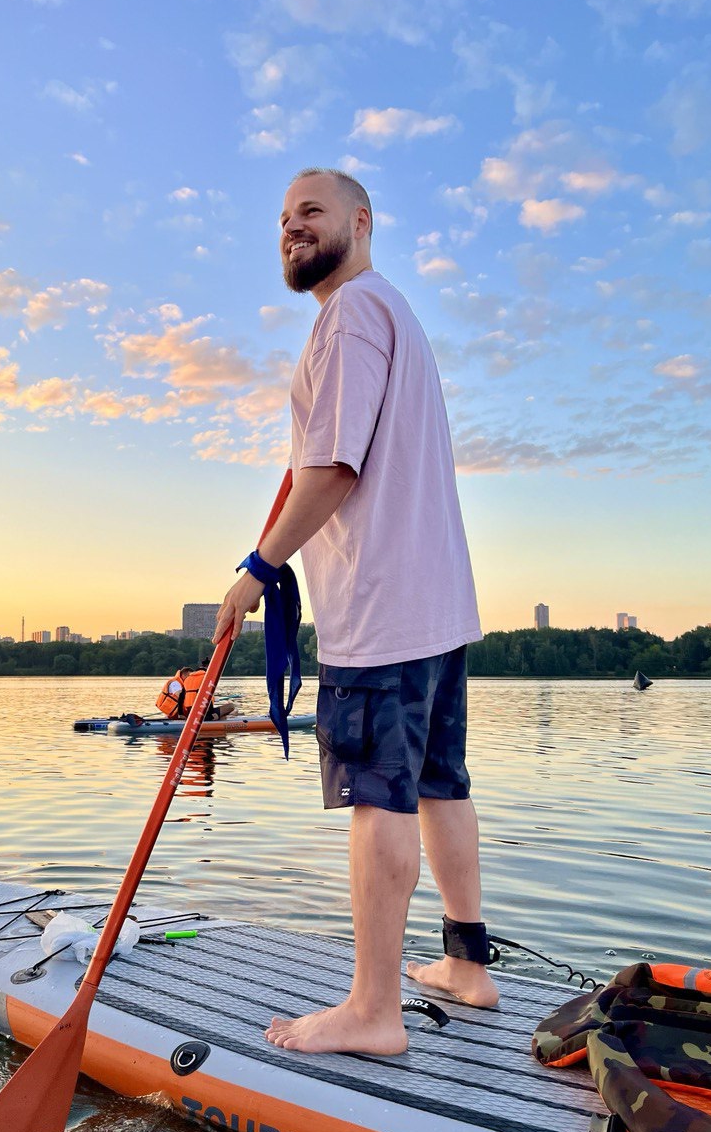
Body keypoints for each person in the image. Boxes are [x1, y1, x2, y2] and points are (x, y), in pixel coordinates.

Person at [214, 167, 498, 1057]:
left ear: (362, 222)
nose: (292, 227)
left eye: (311, 212)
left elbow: (332, 468)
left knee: (380, 796)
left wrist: (258, 569)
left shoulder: (350, 315)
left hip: (382, 606)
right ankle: (466, 964)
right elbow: (332, 453)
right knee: (437, 780)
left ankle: (375, 1009)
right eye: (283, 217)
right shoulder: (391, 314)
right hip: (436, 603)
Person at [155, 665, 237, 721]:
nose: (192, 678)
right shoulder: (175, 683)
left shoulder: (184, 684)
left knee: (237, 712)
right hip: (186, 714)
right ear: (186, 674)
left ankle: (219, 719)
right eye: (190, 676)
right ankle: (219, 719)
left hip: (184, 713)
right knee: (232, 707)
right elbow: (181, 697)